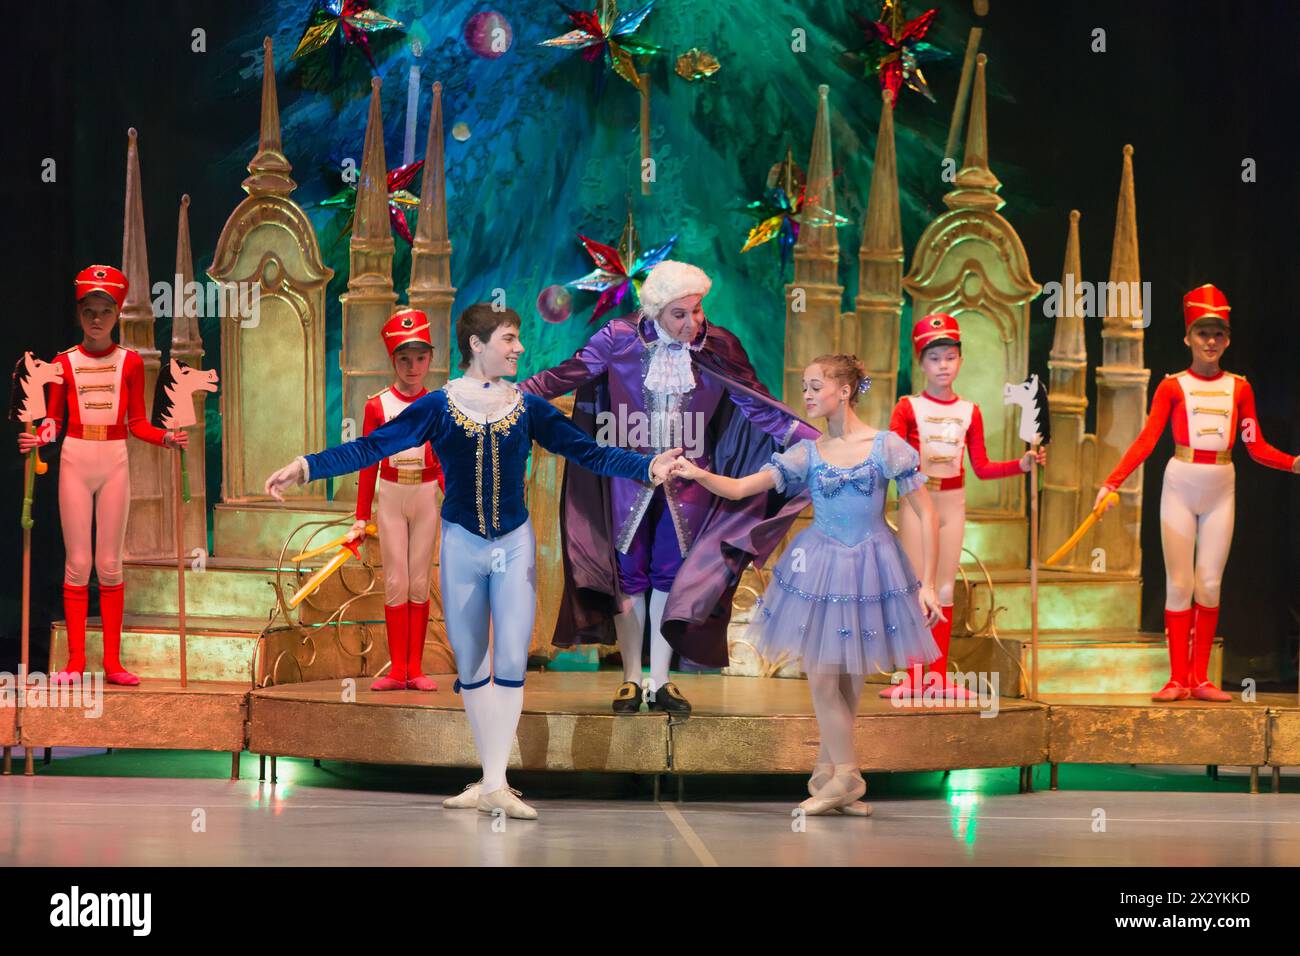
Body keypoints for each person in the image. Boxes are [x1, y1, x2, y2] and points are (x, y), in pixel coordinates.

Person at [265, 304, 681, 819]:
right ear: (477, 345)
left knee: (509, 661)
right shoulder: (439, 406)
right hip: (461, 543)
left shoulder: (527, 408)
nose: (519, 349)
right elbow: (373, 447)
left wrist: (646, 465)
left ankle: (495, 782)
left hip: (514, 543)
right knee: (472, 665)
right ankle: (489, 781)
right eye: (509, 339)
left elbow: (587, 451)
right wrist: (306, 466)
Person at [520, 260, 818, 715]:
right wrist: (508, 397)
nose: (692, 322)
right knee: (628, 576)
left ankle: (660, 681)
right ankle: (630, 679)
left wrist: (822, 444)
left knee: (671, 575)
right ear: (656, 311)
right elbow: (566, 375)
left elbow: (761, 407)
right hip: (628, 477)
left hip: (690, 483)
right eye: (680, 314)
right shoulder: (619, 338)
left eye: (697, 311)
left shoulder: (717, 346)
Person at [671, 354, 942, 816]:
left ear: (843, 390)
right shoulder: (807, 452)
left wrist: (929, 582)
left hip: (873, 565)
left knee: (849, 680)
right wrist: (698, 474)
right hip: (820, 567)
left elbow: (927, 512)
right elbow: (741, 489)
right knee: (821, 677)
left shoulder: (886, 447)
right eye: (806, 386)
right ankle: (846, 777)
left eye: (815, 386)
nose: (808, 395)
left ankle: (832, 778)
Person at [1096, 284, 1299, 702]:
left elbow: (1255, 447)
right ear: (1187, 336)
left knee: (1209, 583)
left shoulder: (1240, 388)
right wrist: (1110, 482)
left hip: (1222, 485)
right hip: (1180, 483)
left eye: (1219, 333)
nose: (1211, 341)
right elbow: (1146, 441)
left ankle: (1200, 678)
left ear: (1228, 339)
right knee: (1179, 583)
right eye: (1203, 333)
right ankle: (1176, 678)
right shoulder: (1172, 387)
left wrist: (1294, 462)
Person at [17, 265, 187, 685]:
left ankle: (112, 663)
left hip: (114, 459)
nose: (97, 319)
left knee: (109, 565)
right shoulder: (63, 362)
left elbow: (136, 423)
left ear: (117, 314)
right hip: (76, 458)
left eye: (105, 311)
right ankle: (76, 662)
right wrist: (38, 437)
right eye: (89, 310)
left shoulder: (129, 363)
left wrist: (165, 439)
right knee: (78, 563)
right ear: (79, 313)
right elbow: (54, 420)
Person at [879, 313, 1045, 701]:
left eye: (950, 357)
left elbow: (983, 468)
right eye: (934, 358)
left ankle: (935, 677)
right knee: (916, 587)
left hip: (953, 501)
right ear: (920, 362)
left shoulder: (969, 411)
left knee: (946, 588)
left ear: (960, 361)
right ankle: (914, 676)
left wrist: (1021, 465)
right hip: (917, 501)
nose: (943, 365)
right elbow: (890, 460)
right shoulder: (907, 408)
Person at [350, 308, 446, 691]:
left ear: (430, 359)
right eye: (404, 358)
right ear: (393, 359)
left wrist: (455, 497)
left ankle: (416, 668)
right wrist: (360, 516)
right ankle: (396, 670)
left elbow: (443, 460)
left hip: (425, 496)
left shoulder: (439, 404)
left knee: (419, 581)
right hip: (390, 496)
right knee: (396, 580)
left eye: (420, 357)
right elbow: (366, 463)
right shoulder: (377, 406)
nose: (413, 366)